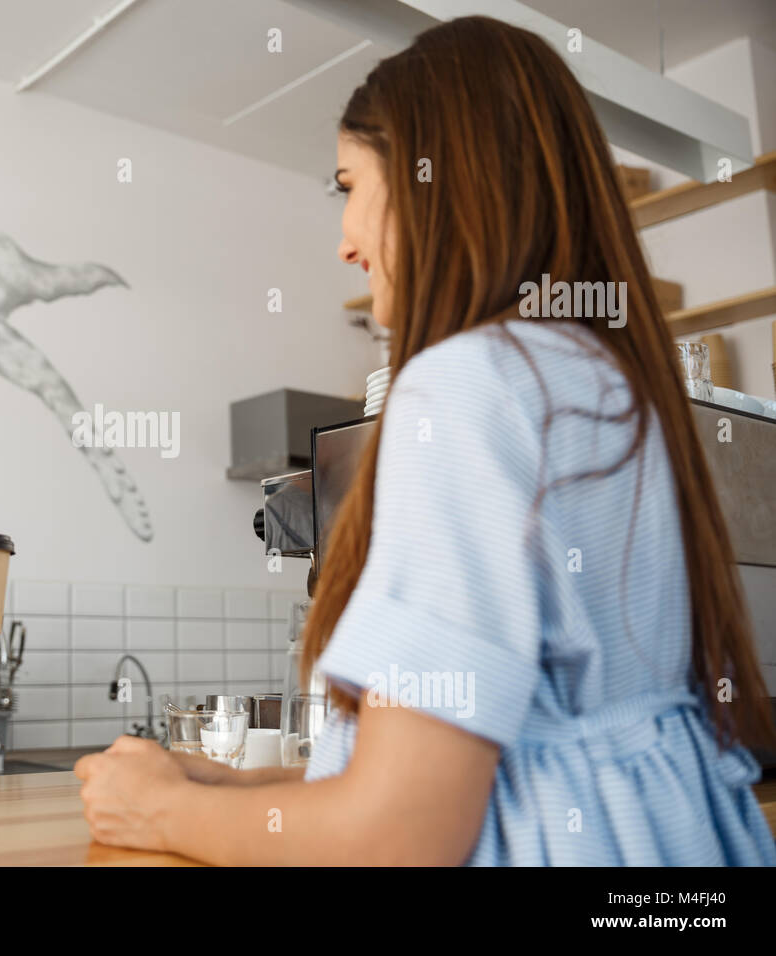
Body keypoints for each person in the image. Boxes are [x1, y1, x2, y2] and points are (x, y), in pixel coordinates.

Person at [74, 16, 776, 865]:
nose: (345, 242)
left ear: (432, 182)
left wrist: (156, 814)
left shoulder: (466, 387)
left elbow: (401, 833)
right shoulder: (612, 387)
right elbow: (515, 763)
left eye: (348, 187)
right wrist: (232, 788)